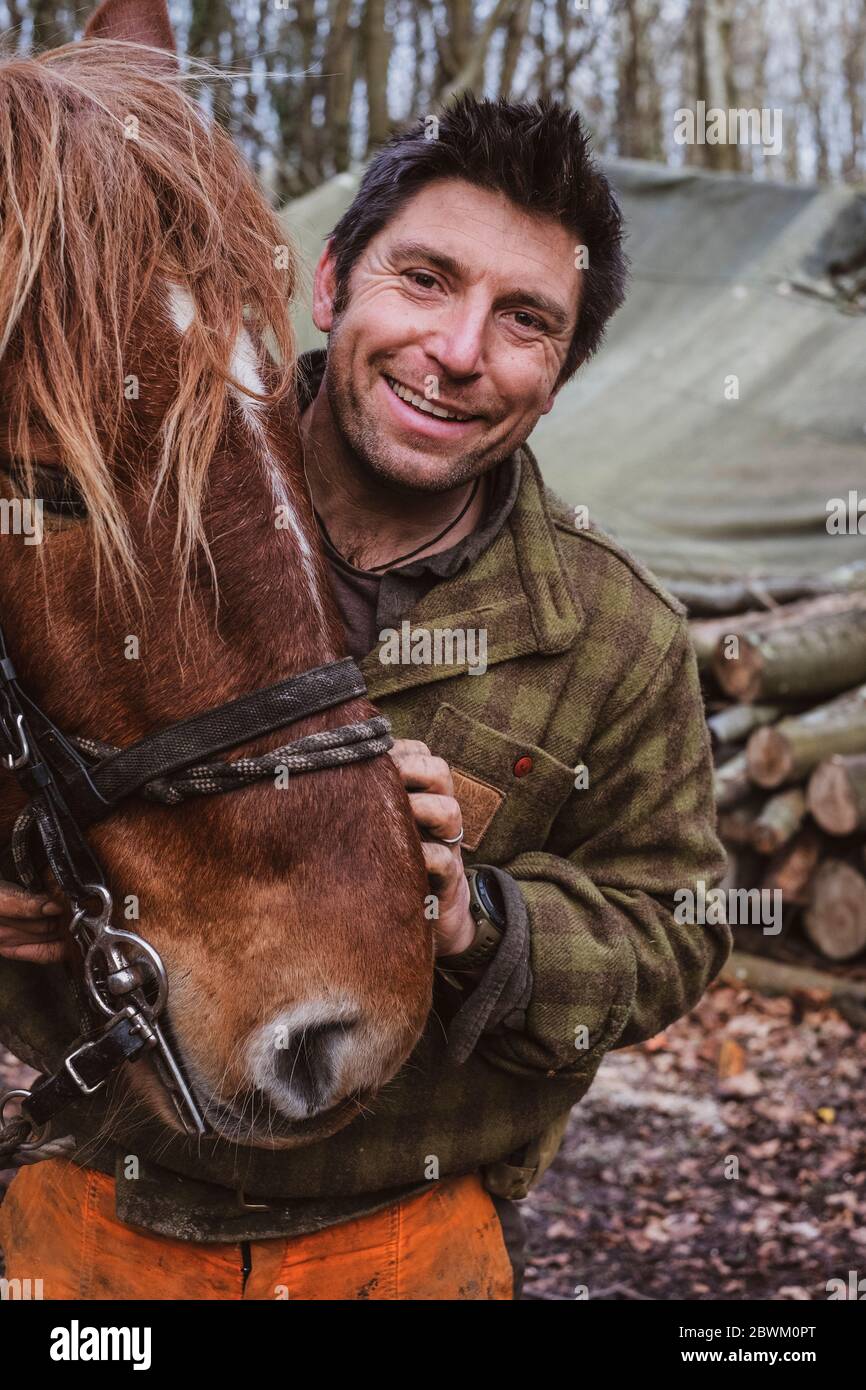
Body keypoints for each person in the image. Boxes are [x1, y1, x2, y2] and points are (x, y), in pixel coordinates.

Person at [0, 91, 731, 1300]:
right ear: (331, 283)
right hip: (87, 1222)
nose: (456, 350)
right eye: (426, 278)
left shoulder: (613, 634)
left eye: (525, 321)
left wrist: (481, 923)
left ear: (557, 378)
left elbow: (679, 926)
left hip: (409, 1241)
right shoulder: (89, 496)